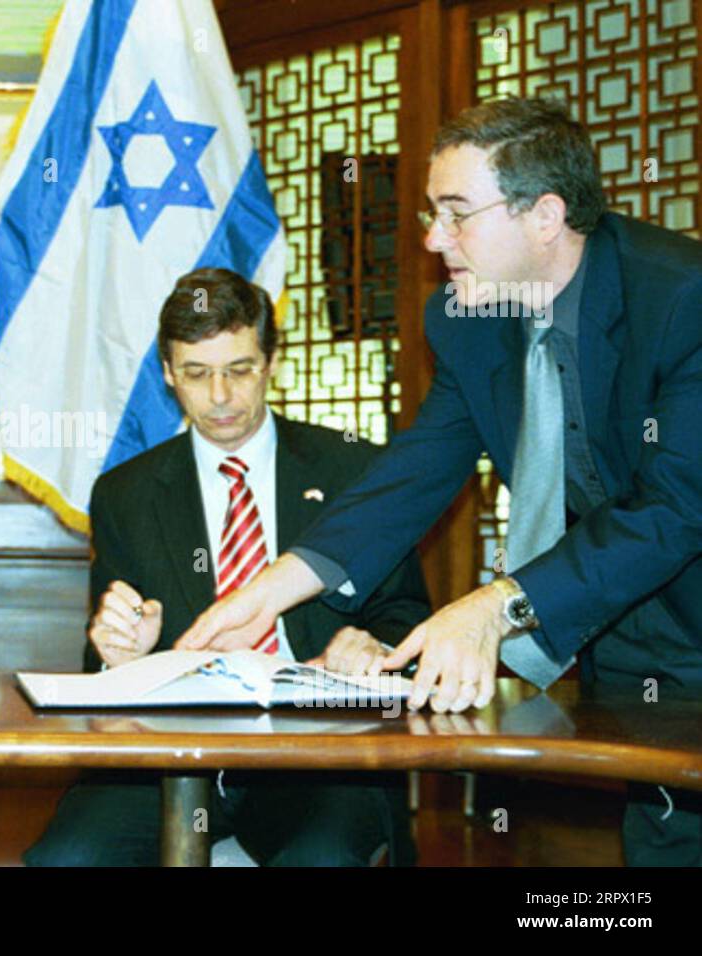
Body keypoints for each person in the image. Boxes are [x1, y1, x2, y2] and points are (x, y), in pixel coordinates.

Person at [179, 97, 702, 866]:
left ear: (545, 215)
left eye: (456, 213)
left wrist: (497, 606)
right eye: (431, 213)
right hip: (627, 637)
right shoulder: (466, 316)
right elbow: (418, 469)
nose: (431, 238)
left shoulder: (681, 299)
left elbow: (676, 510)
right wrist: (271, 588)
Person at [24, 268, 430, 867]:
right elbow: (100, 668)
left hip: (320, 760)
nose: (219, 396)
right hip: (166, 758)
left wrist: (371, 643)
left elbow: (406, 616)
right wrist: (121, 653)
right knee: (67, 859)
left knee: (322, 860)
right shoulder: (125, 494)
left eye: (239, 370)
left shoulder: (352, 472)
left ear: (271, 361)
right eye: (196, 373)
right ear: (167, 374)